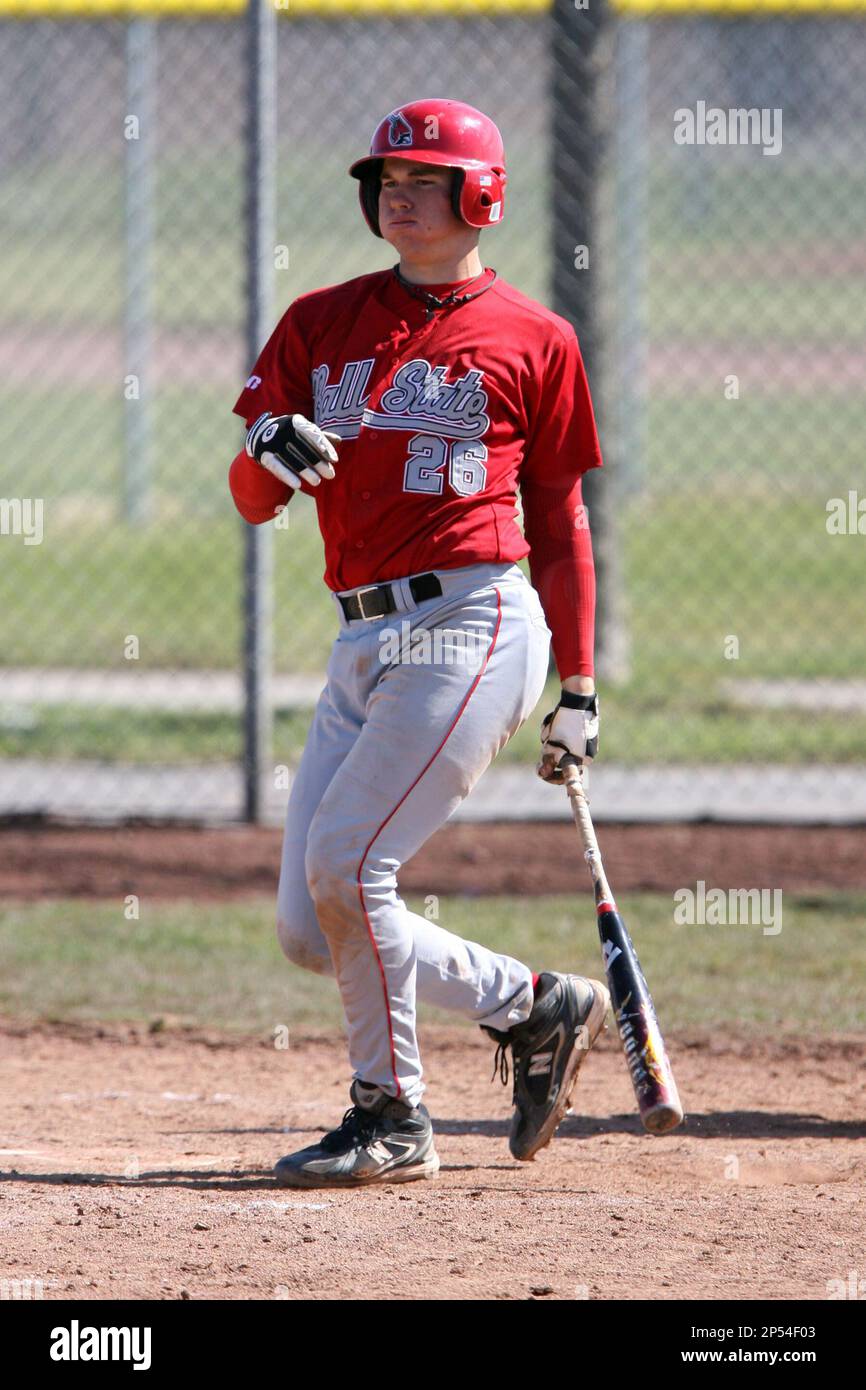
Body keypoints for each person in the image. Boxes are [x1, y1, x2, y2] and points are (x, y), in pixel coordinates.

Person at [229, 98, 609, 1188]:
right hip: (359, 641)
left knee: (352, 864)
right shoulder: (318, 320)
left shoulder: (536, 338)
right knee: (313, 923)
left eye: (423, 176)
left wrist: (576, 683)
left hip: (472, 621)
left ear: (479, 195)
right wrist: (266, 443)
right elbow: (253, 501)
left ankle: (389, 1116)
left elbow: (559, 520)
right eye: (384, 177)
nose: (396, 190)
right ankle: (535, 1007)